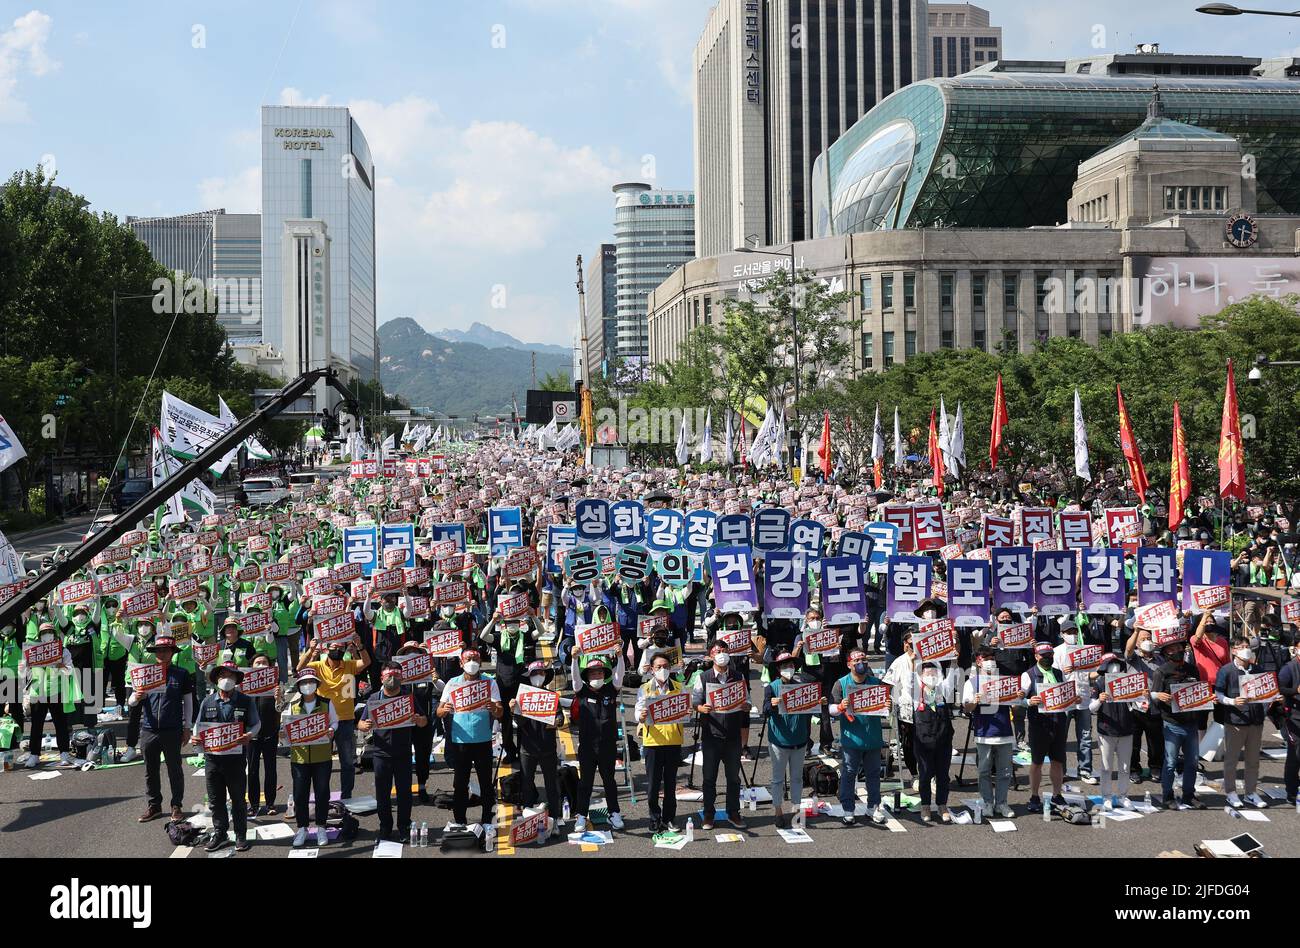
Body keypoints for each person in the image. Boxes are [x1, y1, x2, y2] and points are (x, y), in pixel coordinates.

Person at [194, 662, 259, 852]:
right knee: (216, 800)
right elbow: (199, 726)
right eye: (223, 675)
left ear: (237, 679)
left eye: (231, 676)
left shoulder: (246, 701)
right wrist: (196, 738)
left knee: (238, 799)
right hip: (213, 760)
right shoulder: (208, 702)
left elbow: (256, 724)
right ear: (216, 679)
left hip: (235, 759)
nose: (226, 679)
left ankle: (240, 835)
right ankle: (220, 833)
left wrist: (250, 735)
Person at [358, 661, 426, 842]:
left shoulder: (408, 697)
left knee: (404, 794)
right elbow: (361, 723)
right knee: (383, 794)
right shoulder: (374, 698)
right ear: (381, 678)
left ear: (402, 677)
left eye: (396, 676)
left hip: (403, 753)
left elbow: (424, 721)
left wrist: (418, 719)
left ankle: (404, 826)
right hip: (381, 754)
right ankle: (385, 827)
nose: (392, 679)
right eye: (389, 676)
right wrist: (363, 725)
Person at [298, 631, 370, 801]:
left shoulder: (349, 665)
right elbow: (300, 668)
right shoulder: (318, 666)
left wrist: (359, 645)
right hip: (324, 722)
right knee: (323, 763)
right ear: (327, 649)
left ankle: (347, 796)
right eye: (334, 647)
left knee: (347, 763)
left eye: (340, 647)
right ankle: (323, 796)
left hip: (345, 721)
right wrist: (310, 650)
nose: (337, 650)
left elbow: (367, 662)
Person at [437, 647, 503, 827]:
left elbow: (500, 712)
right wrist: (445, 710)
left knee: (485, 783)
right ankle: (460, 820)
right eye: (468, 659)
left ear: (481, 662)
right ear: (461, 663)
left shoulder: (490, 683)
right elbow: (439, 711)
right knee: (460, 783)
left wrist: (493, 707)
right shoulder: (452, 683)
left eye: (475, 659)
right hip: (460, 741)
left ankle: (486, 819)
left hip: (482, 740)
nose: (472, 662)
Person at [690, 640, 749, 830]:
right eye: (717, 651)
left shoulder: (739, 676)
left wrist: (746, 706)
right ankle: (708, 815)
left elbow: (747, 700)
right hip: (711, 736)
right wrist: (701, 707)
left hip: (732, 735)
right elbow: (694, 701)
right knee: (709, 778)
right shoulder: (704, 677)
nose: (721, 653)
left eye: (724, 650)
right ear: (710, 655)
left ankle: (734, 813)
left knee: (733, 778)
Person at [829, 648, 888, 826]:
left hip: (873, 738)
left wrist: (888, 704)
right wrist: (840, 707)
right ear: (849, 664)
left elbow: (886, 710)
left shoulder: (876, 682)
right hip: (851, 739)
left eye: (863, 659)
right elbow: (831, 710)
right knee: (848, 774)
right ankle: (848, 809)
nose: (861, 663)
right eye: (856, 660)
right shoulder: (841, 684)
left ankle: (873, 807)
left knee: (873, 775)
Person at [1149, 640, 1208, 810]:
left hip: (1191, 723)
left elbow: (1200, 692)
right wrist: (1158, 695)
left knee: (1192, 762)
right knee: (1170, 762)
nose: (1177, 651)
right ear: (1166, 653)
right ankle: (1167, 796)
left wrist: (1207, 699)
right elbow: (1153, 695)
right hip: (1172, 723)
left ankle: (1189, 795)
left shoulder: (1192, 669)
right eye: (1172, 649)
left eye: (1179, 648)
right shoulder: (1161, 672)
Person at [570, 655, 626, 832]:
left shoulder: (611, 689)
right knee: (585, 782)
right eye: (593, 673)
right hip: (587, 746)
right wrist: (574, 659)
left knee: (609, 780)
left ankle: (614, 813)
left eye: (600, 672)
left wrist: (620, 656)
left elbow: (620, 675)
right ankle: (580, 816)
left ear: (605, 674)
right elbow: (574, 678)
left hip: (607, 746)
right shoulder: (582, 691)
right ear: (587, 676)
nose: (596, 676)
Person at [962, 645, 1018, 818]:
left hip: (1004, 731)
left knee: (1005, 771)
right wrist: (975, 701)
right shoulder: (971, 682)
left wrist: (1018, 698)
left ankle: (1002, 803)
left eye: (992, 658)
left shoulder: (1004, 681)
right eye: (986, 659)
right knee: (984, 771)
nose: (990, 662)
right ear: (979, 662)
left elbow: (1015, 707)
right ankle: (987, 802)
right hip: (984, 733)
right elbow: (966, 708)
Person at [510, 659, 565, 835]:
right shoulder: (522, 696)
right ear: (529, 677)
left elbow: (561, 719)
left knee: (552, 785)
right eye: (534, 674)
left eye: (541, 673)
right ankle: (527, 816)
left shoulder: (552, 697)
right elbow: (518, 722)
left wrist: (556, 721)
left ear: (545, 676)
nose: (538, 677)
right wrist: (514, 710)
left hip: (548, 748)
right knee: (527, 784)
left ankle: (555, 819)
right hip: (527, 747)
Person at [285, 666, 338, 848]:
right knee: (300, 794)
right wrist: (283, 735)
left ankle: (321, 826)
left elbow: (335, 721)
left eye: (311, 682)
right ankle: (302, 828)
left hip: (322, 755)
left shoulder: (326, 702)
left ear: (316, 684)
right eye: (304, 682)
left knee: (322, 792)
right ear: (299, 686)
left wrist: (331, 730)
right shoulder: (292, 706)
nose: (308, 685)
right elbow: (285, 729)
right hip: (299, 758)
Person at [1214, 640, 1270, 809]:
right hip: (1235, 720)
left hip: (1256, 720)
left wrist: (1273, 697)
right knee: (1232, 759)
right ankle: (1231, 792)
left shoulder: (1258, 669)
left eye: (1247, 647)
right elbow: (1218, 693)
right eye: (1241, 647)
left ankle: (1250, 792)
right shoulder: (1226, 670)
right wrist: (1232, 701)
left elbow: (1265, 691)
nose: (1245, 650)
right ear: (1233, 650)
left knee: (1253, 760)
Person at [635, 651, 685, 832]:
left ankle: (669, 818)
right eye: (658, 667)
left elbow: (686, 711)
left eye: (665, 667)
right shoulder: (645, 688)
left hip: (673, 740)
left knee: (670, 784)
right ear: (652, 670)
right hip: (652, 742)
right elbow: (638, 711)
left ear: (670, 668)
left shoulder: (679, 687)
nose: (662, 670)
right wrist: (640, 716)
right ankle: (654, 817)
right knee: (653, 784)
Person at [762, 651, 812, 829]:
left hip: (799, 739)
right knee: (777, 779)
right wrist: (772, 705)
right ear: (778, 669)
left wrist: (819, 701)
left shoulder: (803, 685)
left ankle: (797, 811)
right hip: (779, 741)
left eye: (791, 666)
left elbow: (812, 708)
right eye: (784, 666)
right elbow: (765, 711)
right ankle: (778, 812)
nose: (788, 669)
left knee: (797, 778)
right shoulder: (771, 687)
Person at [18, 620, 77, 768]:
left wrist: (62, 666)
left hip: (57, 691)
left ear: (55, 634)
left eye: (50, 632)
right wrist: (24, 666)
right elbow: (22, 672)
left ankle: (64, 752)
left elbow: (70, 670)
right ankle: (34, 754)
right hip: (38, 692)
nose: (47, 636)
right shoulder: (32, 651)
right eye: (44, 633)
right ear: (39, 636)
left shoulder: (63, 651)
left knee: (61, 723)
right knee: (36, 725)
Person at [910, 655, 961, 823]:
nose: (931, 674)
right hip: (923, 740)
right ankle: (925, 806)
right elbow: (910, 679)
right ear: (921, 674)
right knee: (924, 774)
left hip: (943, 739)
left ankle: (942, 805)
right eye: (927, 671)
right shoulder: (916, 692)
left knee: (943, 775)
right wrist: (912, 662)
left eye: (934, 671)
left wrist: (953, 660)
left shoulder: (943, 689)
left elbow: (953, 677)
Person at [1021, 642, 1068, 814]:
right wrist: (1028, 701)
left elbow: (1065, 695)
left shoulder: (1058, 673)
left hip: (1058, 721)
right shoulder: (1028, 675)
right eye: (1043, 655)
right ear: (1036, 656)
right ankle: (1034, 796)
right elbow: (1018, 698)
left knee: (1058, 760)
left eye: (1049, 654)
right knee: (1037, 761)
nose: (1047, 658)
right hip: (1039, 723)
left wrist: (1073, 700)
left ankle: (1057, 794)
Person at [1090, 653, 1137, 810]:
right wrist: (1099, 700)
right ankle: (1107, 796)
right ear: (1104, 668)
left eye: (1116, 664)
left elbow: (1139, 705)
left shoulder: (1128, 682)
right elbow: (1091, 708)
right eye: (1110, 664)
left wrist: (1143, 696)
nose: (1114, 667)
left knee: (1125, 767)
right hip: (1106, 730)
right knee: (1106, 767)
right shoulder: (1099, 683)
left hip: (1126, 729)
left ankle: (1123, 795)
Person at [246, 653, 283, 817]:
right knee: (252, 770)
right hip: (251, 736)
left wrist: (279, 699)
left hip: (270, 733)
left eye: (264, 663)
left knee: (270, 770)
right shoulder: (245, 685)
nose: (261, 665)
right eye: (257, 663)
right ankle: (253, 804)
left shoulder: (275, 685)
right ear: (251, 666)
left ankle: (270, 803)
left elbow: (280, 710)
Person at [1278, 639, 1300, 805]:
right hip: (1294, 717)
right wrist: (1295, 691)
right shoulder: (1289, 668)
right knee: (1295, 755)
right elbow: (1279, 687)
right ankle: (1291, 791)